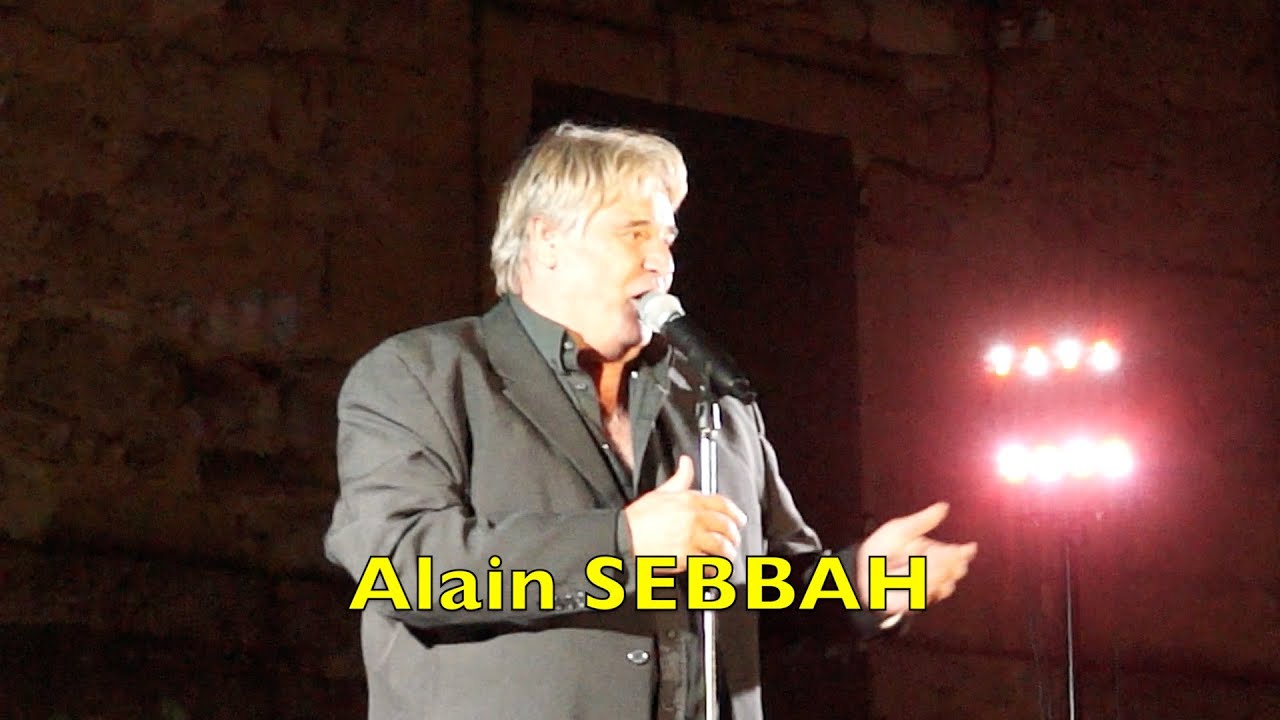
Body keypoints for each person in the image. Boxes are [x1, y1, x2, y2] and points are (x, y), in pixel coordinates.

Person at [323, 122, 978, 720]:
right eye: (632, 233)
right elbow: (400, 570)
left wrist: (864, 583)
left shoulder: (709, 398)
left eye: (666, 237)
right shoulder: (424, 375)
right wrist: (620, 544)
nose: (660, 260)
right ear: (548, 239)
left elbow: (761, 592)